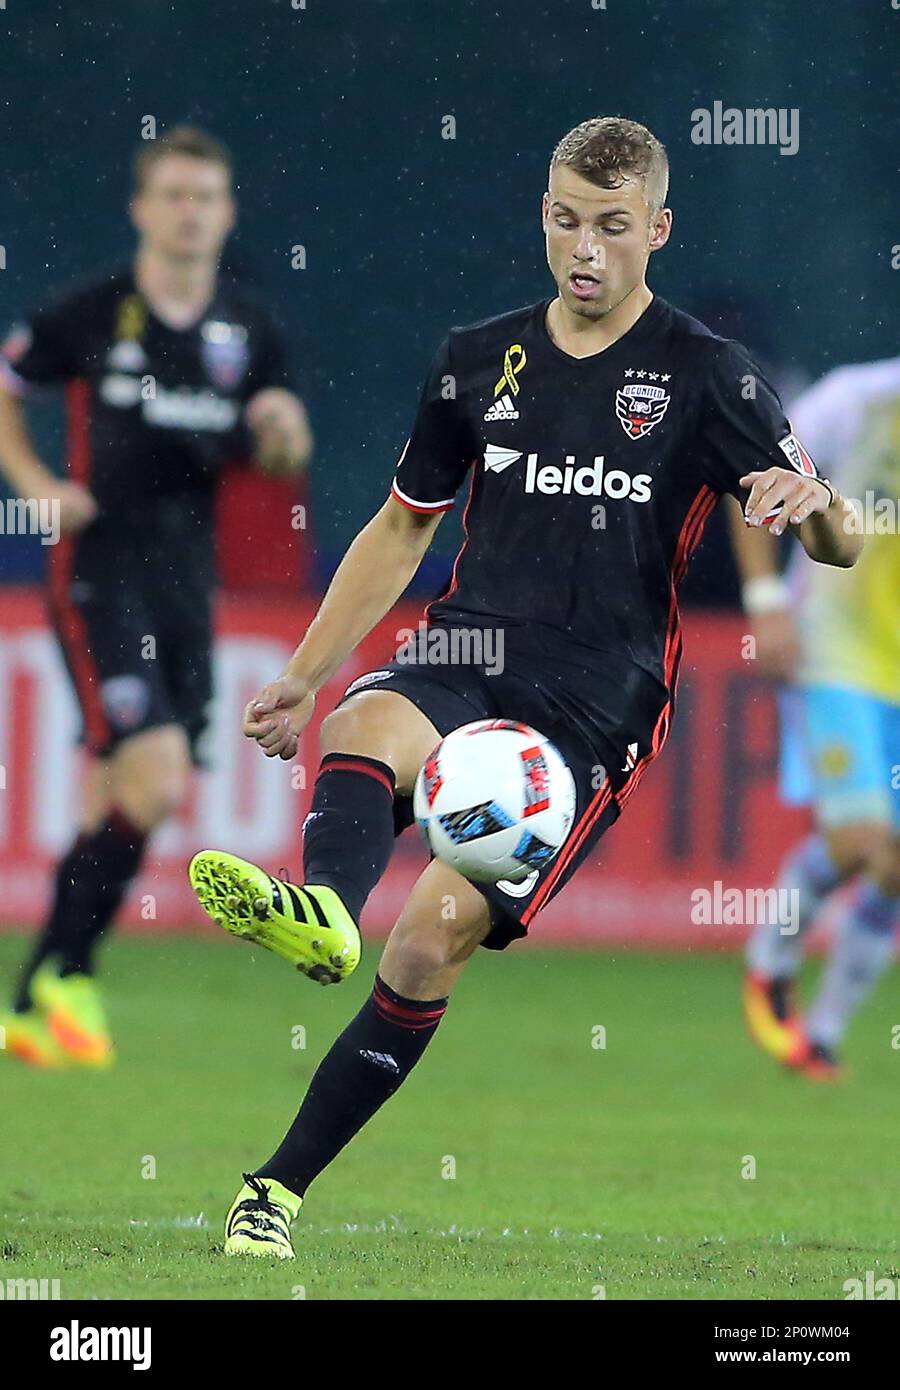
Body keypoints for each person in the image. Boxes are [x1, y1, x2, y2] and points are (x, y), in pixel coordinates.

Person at [187, 116, 861, 1259]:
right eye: (563, 221)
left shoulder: (708, 374)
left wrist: (820, 510)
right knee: (364, 718)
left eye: (610, 227)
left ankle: (276, 1189)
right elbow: (403, 527)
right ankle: (325, 917)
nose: (583, 249)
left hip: (599, 702)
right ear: (541, 218)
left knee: (431, 941)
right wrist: (303, 674)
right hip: (472, 645)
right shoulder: (475, 356)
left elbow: (839, 540)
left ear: (657, 228)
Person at [0, 125, 312, 1068]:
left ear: (227, 211)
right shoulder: (91, 313)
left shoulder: (249, 330)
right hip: (99, 573)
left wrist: (283, 432)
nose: (189, 212)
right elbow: (8, 385)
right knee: (159, 776)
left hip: (187, 583)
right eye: (172, 195)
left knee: (118, 795)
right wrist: (32, 484)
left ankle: (28, 1001)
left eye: (205, 197)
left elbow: (281, 451)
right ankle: (73, 976)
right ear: (142, 209)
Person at [733, 357, 899, 1078]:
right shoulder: (859, 398)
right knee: (866, 845)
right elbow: (757, 482)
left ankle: (824, 1032)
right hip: (838, 652)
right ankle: (772, 954)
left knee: (895, 868)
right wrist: (766, 604)